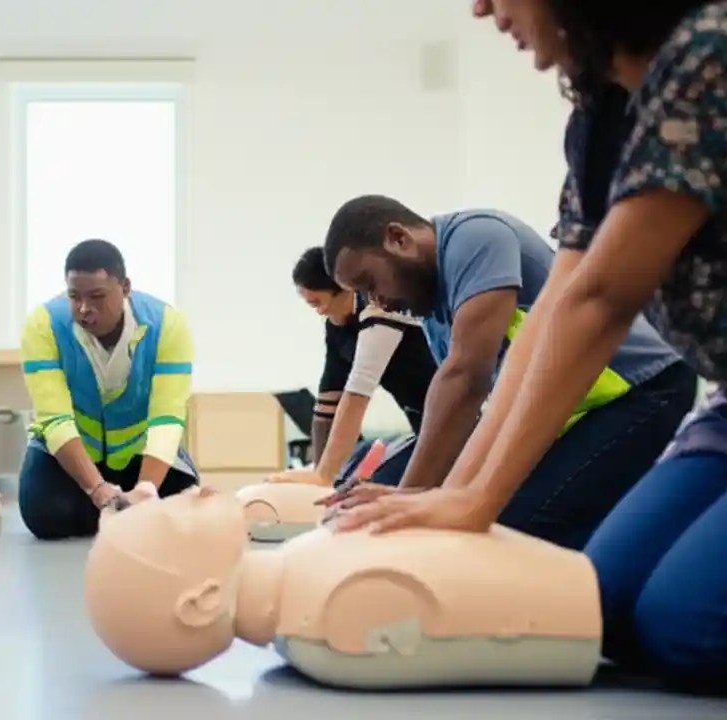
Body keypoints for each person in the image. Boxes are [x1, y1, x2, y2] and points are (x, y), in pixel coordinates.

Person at [339, 0, 727, 694]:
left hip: (655, 390)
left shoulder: (708, 55)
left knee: (686, 628)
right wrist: (456, 499)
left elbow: (599, 302)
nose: (482, 8)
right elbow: (554, 315)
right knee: (597, 608)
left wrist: (474, 499)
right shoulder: (600, 118)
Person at [320, 195, 698, 550]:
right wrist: (411, 491)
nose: (376, 302)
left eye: (370, 284)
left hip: (645, 387)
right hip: (580, 408)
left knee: (509, 528)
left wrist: (410, 496)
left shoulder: (477, 236)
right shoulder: (434, 312)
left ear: (398, 238)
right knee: (414, 498)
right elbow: (471, 417)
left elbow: (467, 378)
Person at [17, 239, 198, 540]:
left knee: (184, 509)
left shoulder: (167, 324)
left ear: (125, 287)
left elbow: (166, 418)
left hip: (140, 452)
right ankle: (109, 512)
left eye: (97, 296)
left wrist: (146, 490)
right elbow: (55, 419)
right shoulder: (43, 324)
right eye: (74, 296)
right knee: (47, 517)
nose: (85, 309)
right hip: (70, 454)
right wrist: (98, 489)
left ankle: (123, 509)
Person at [286, 246, 436, 486]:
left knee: (387, 482)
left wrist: (324, 476)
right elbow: (328, 400)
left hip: (454, 414)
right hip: (422, 418)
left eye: (318, 303)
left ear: (342, 287)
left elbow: (358, 393)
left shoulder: (379, 309)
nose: (319, 312)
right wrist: (319, 469)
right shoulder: (336, 326)